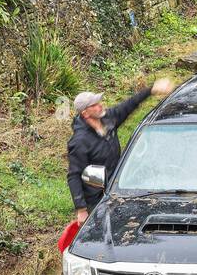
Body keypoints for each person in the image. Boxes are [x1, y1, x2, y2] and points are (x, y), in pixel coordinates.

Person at [67, 78, 174, 223]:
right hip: (97, 199)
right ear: (85, 113)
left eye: (99, 102)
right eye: (95, 105)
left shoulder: (108, 119)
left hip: (118, 188)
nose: (100, 106)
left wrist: (151, 90)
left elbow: (128, 105)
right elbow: (74, 175)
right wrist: (81, 209)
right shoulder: (80, 141)